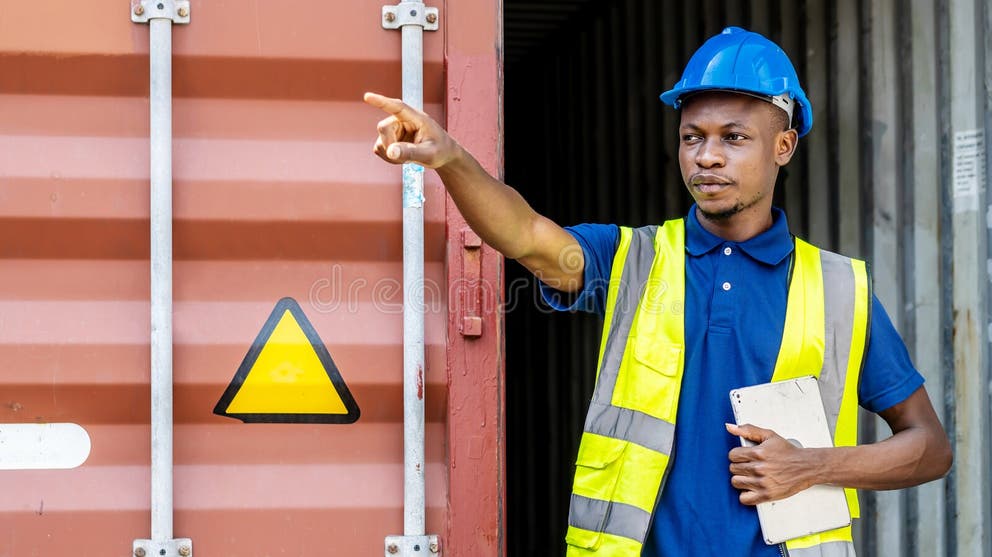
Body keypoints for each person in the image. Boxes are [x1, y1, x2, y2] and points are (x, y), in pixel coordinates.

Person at [364, 26, 952, 557]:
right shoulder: (631, 259)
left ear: (784, 147)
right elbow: (524, 234)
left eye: (734, 137)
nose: (707, 157)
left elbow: (929, 446)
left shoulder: (838, 288)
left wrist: (810, 466)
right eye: (692, 136)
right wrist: (450, 159)